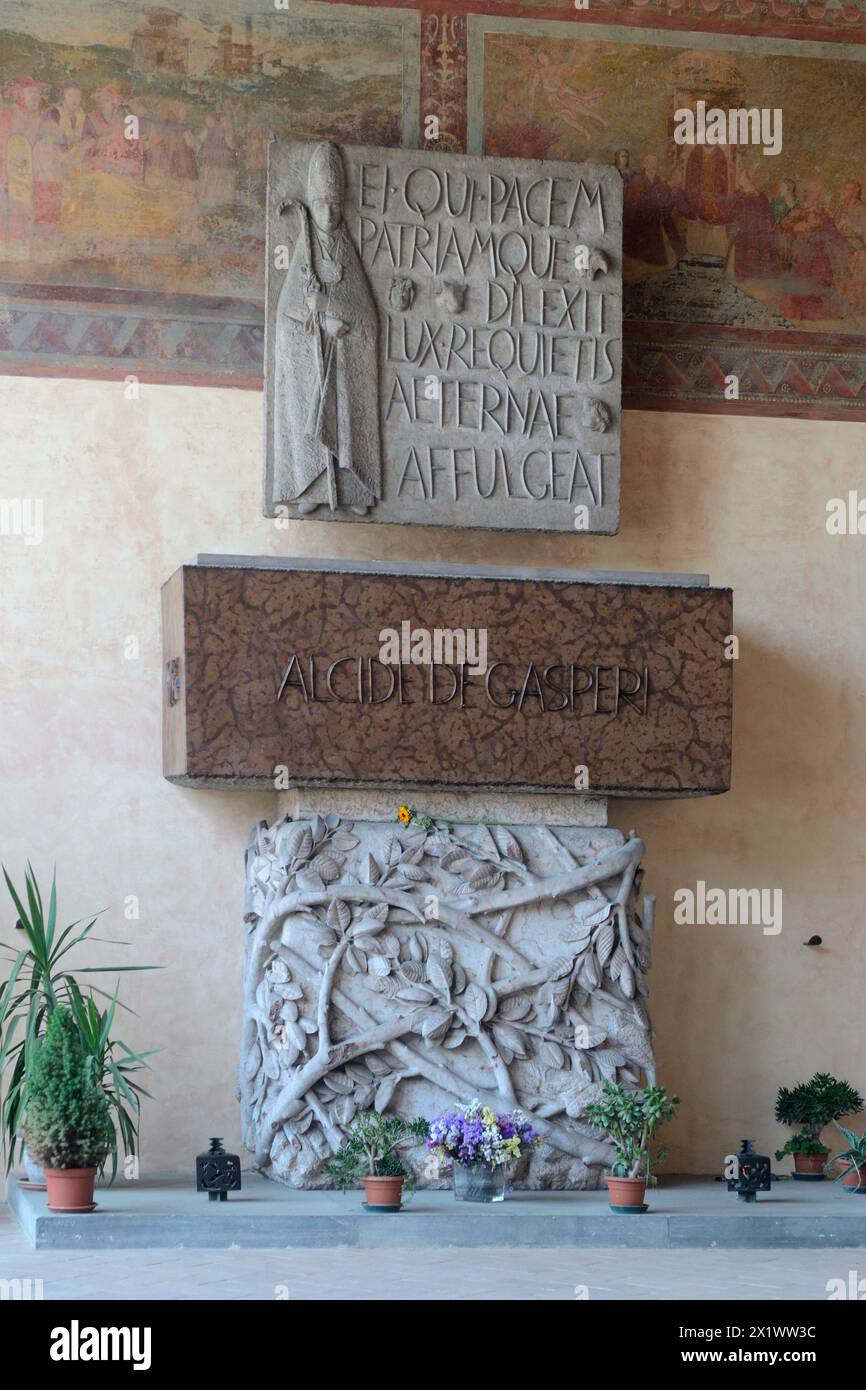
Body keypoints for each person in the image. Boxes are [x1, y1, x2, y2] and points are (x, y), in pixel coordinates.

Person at [272, 141, 381, 515]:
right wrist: (313, 318)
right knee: (311, 412)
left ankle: (352, 487)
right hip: (311, 362)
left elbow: (368, 318)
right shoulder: (304, 254)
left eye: (336, 204)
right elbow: (285, 321)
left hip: (345, 360)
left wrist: (334, 312)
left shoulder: (346, 251)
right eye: (322, 204)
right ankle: (311, 486)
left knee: (347, 415)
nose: (330, 212)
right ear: (312, 203)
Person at [726, 165, 783, 281]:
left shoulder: (761, 197)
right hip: (744, 234)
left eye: (742, 176)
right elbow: (729, 212)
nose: (739, 179)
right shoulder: (738, 195)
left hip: (758, 236)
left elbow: (769, 218)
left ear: (748, 179)